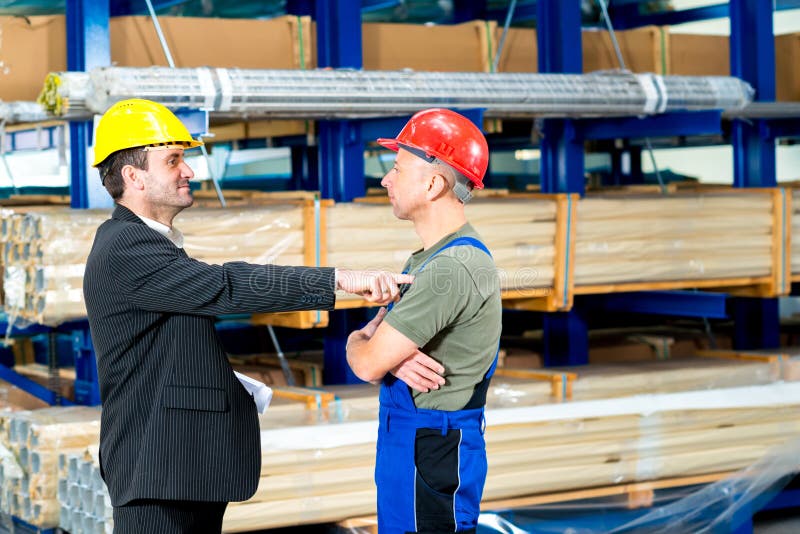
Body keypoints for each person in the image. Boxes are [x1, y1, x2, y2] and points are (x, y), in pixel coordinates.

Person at [82, 98, 415, 533]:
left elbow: (168, 347)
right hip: (155, 469)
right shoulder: (127, 246)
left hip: (177, 468)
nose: (189, 171)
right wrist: (340, 279)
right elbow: (226, 286)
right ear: (133, 176)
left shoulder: (149, 243)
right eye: (173, 160)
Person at [345, 108, 502, 533]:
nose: (386, 180)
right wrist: (386, 355)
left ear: (434, 184)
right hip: (414, 444)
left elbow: (366, 363)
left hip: (430, 449)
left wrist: (363, 343)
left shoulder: (452, 267)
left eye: (397, 169)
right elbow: (378, 357)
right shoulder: (427, 260)